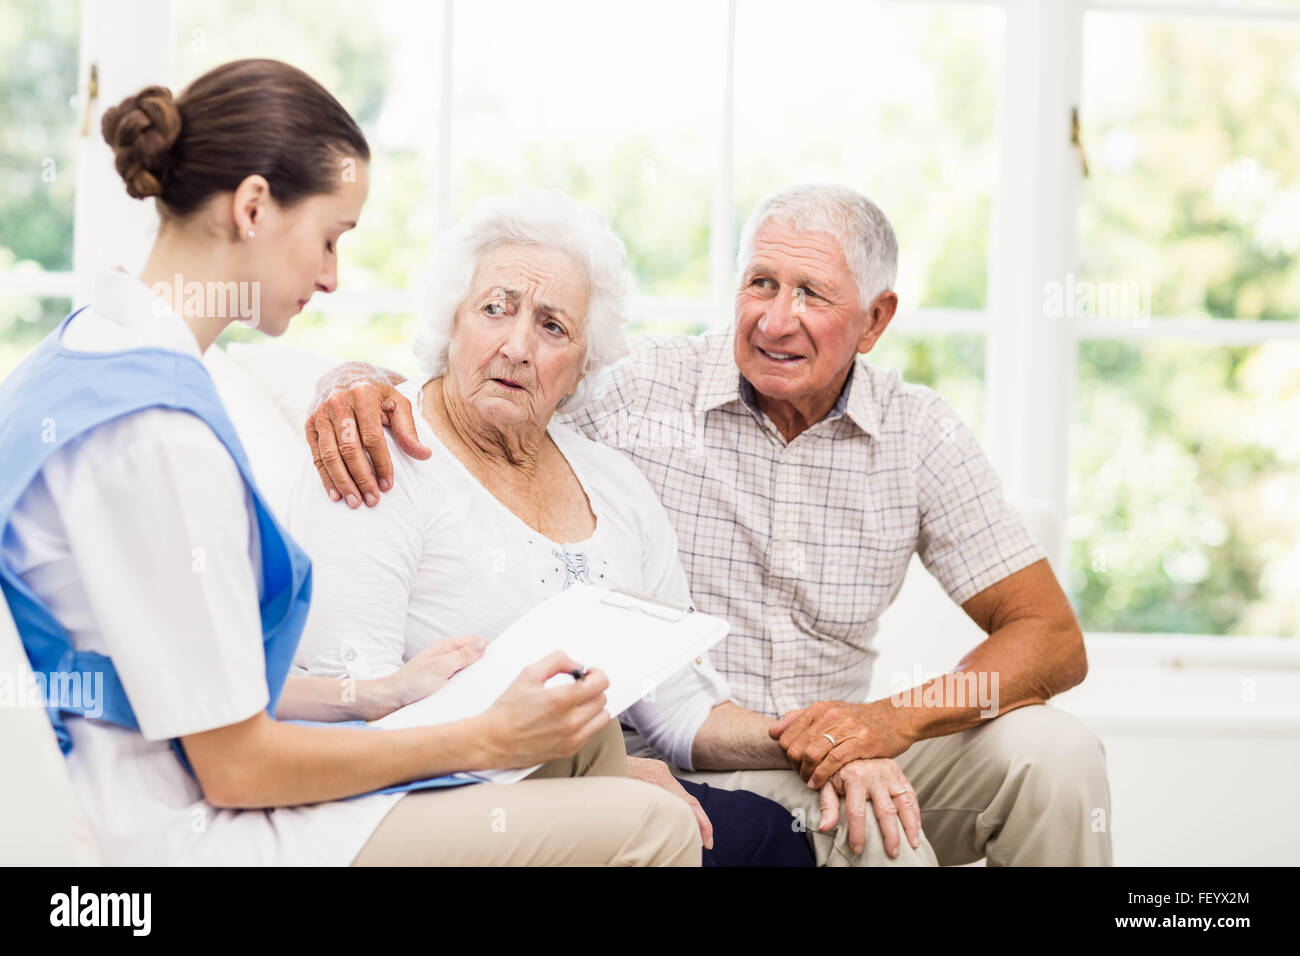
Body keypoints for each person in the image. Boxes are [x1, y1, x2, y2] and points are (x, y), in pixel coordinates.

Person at [0, 59, 699, 867]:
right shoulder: (161, 437)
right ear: (254, 207)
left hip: (174, 769)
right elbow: (237, 767)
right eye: (330, 238)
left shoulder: (85, 352)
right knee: (657, 824)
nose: (332, 276)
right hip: (194, 830)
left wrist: (373, 695)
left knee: (585, 743)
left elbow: (176, 677)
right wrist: (477, 735)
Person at [306, 183, 1114, 867]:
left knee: (1055, 753)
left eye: (812, 295)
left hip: (818, 745)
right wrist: (351, 381)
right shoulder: (639, 392)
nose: (774, 319)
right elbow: (471, 378)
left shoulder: (918, 434)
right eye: (760, 283)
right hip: (675, 765)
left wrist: (882, 728)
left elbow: (1050, 637)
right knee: (875, 840)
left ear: (874, 321)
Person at [288, 188, 815, 867]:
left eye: (553, 327)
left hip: (588, 774)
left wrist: (822, 740)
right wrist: (593, 775)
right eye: (495, 309)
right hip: (427, 798)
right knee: (683, 828)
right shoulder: (377, 450)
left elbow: (681, 705)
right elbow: (354, 701)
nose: (517, 346)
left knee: (770, 835)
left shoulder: (617, 486)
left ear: (581, 369)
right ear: (452, 321)